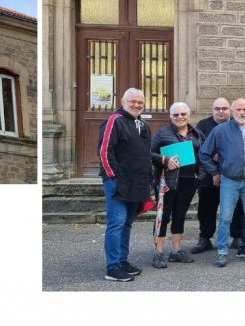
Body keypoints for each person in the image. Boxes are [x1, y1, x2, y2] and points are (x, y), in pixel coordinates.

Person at [99, 88, 178, 282]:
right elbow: (104, 151)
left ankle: (122, 261)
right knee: (116, 223)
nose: (136, 105)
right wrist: (112, 178)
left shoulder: (143, 125)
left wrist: (162, 159)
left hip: (136, 182)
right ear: (123, 101)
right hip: (118, 181)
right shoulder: (114, 120)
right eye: (132, 101)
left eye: (140, 102)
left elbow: (144, 154)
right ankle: (112, 267)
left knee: (127, 224)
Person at [198, 98, 245, 267]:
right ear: (233, 112)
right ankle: (222, 252)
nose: (242, 112)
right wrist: (215, 171)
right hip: (229, 181)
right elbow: (204, 153)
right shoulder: (220, 130)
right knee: (226, 218)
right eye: (238, 109)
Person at [149, 101, 205, 269]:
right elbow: (148, 153)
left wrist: (200, 177)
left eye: (183, 114)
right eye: (176, 115)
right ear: (171, 117)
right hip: (168, 181)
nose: (180, 117)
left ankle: (176, 251)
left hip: (189, 182)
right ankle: (158, 252)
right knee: (163, 216)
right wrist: (164, 160)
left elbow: (203, 156)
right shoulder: (162, 133)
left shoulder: (197, 134)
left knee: (180, 215)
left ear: (188, 115)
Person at [191, 98, 237, 254]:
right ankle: (205, 238)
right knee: (206, 209)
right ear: (212, 110)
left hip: (233, 175)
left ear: (229, 109)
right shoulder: (202, 126)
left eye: (224, 108)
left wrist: (223, 153)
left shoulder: (237, 124)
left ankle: (238, 237)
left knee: (237, 207)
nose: (221, 111)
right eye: (217, 109)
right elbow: (198, 150)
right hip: (208, 175)